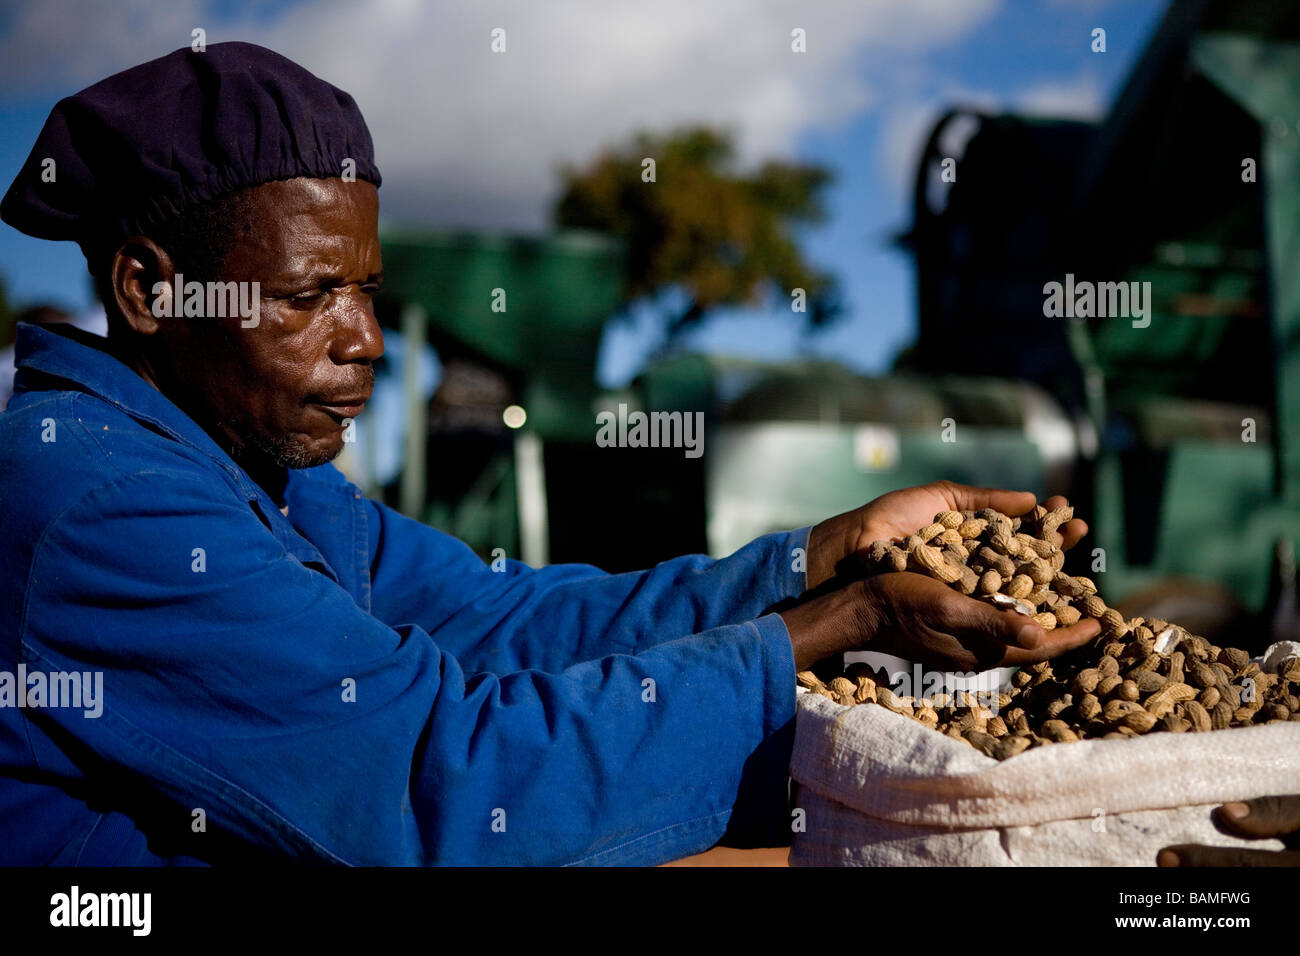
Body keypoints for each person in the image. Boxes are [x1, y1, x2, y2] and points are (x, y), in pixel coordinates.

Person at [0, 42, 1110, 866]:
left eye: (368, 291)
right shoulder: (102, 504)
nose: (367, 341)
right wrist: (835, 630)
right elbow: (431, 779)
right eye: (307, 297)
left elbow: (504, 621)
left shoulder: (273, 485)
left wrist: (820, 560)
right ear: (150, 290)